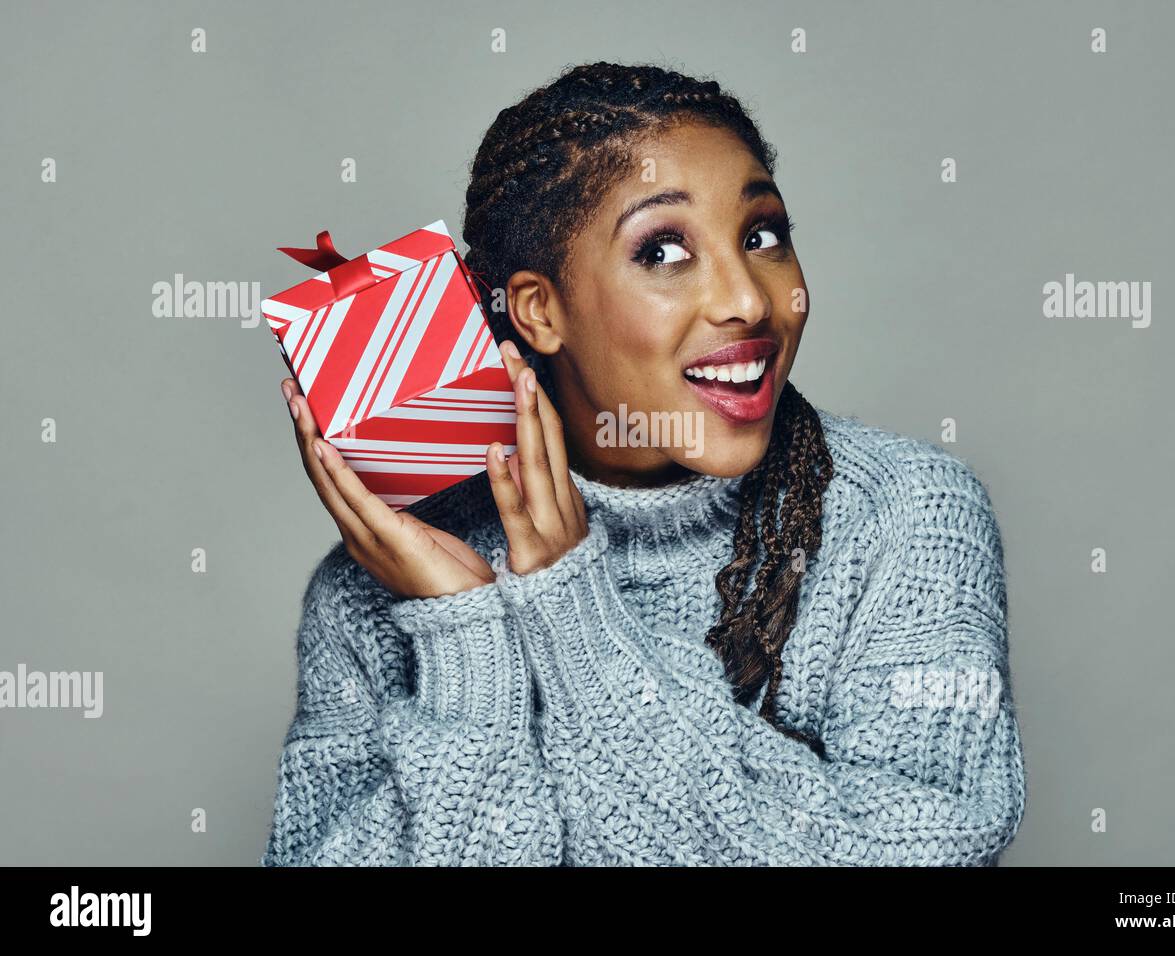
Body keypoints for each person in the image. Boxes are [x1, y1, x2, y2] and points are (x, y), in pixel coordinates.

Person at [260, 61, 1027, 866]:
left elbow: (933, 848)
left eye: (762, 236)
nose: (748, 300)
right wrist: (467, 640)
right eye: (663, 251)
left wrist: (576, 619)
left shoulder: (907, 517)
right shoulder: (377, 593)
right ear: (539, 310)